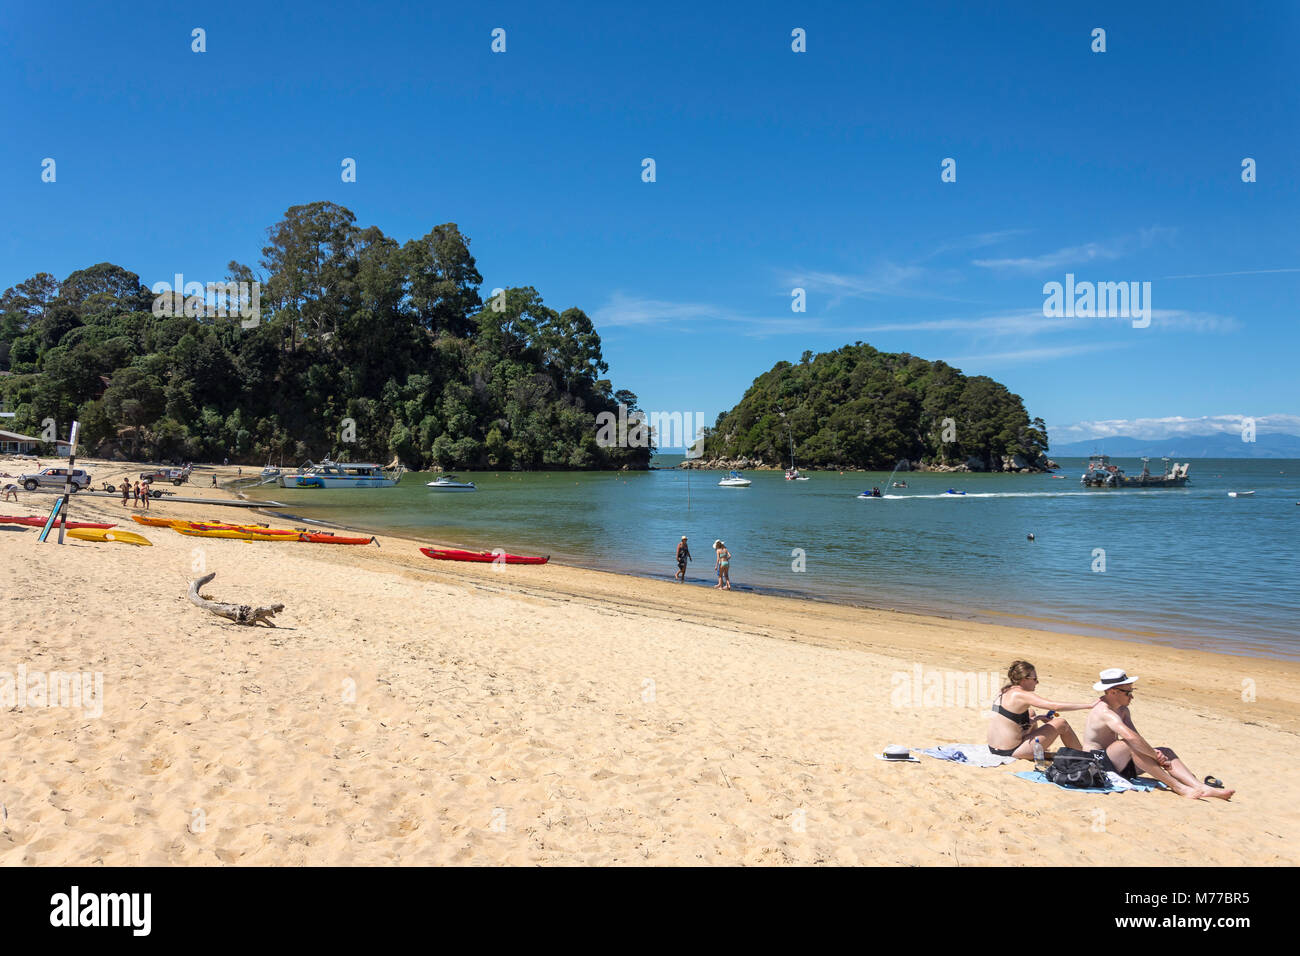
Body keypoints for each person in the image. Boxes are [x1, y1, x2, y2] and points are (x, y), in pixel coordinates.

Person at [1081, 669, 1234, 800]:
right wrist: (1153, 754)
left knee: (1165, 751)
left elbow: (1136, 736)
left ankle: (1200, 786)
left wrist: (1157, 754)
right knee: (1130, 745)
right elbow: (1130, 738)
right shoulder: (1105, 712)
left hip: (1116, 761)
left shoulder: (1122, 710)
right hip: (1096, 764)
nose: (1131, 696)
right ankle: (1178, 787)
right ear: (1113, 692)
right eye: (1128, 693)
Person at [987, 660, 1092, 759]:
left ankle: (1036, 748)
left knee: (1030, 712)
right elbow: (1055, 706)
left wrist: (1038, 718)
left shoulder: (1004, 690)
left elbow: (1009, 723)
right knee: (1061, 723)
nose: (1037, 682)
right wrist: (1089, 705)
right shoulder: (1022, 695)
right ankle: (1083, 757)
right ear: (1024, 679)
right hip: (1010, 751)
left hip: (994, 748)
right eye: (1034, 679)